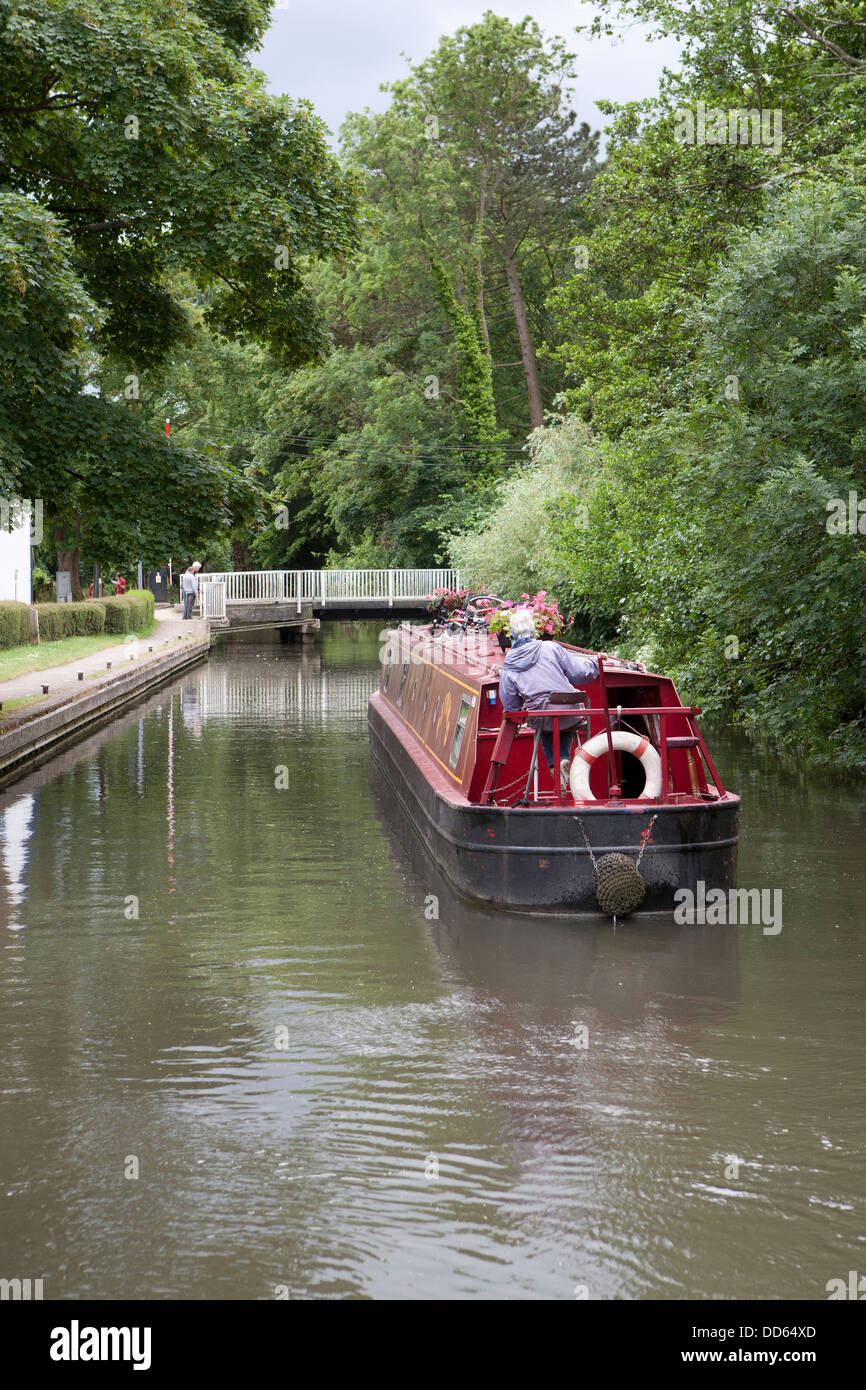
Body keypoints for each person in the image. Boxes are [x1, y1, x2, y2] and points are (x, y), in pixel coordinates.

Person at [498, 608, 599, 791]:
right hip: (571, 708)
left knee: (543, 722)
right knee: (565, 720)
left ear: (512, 633)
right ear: (534, 629)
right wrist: (594, 663)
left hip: (543, 716)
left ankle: (554, 765)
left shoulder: (509, 663)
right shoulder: (550, 647)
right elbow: (579, 674)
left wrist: (518, 708)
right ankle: (564, 759)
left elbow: (509, 701)